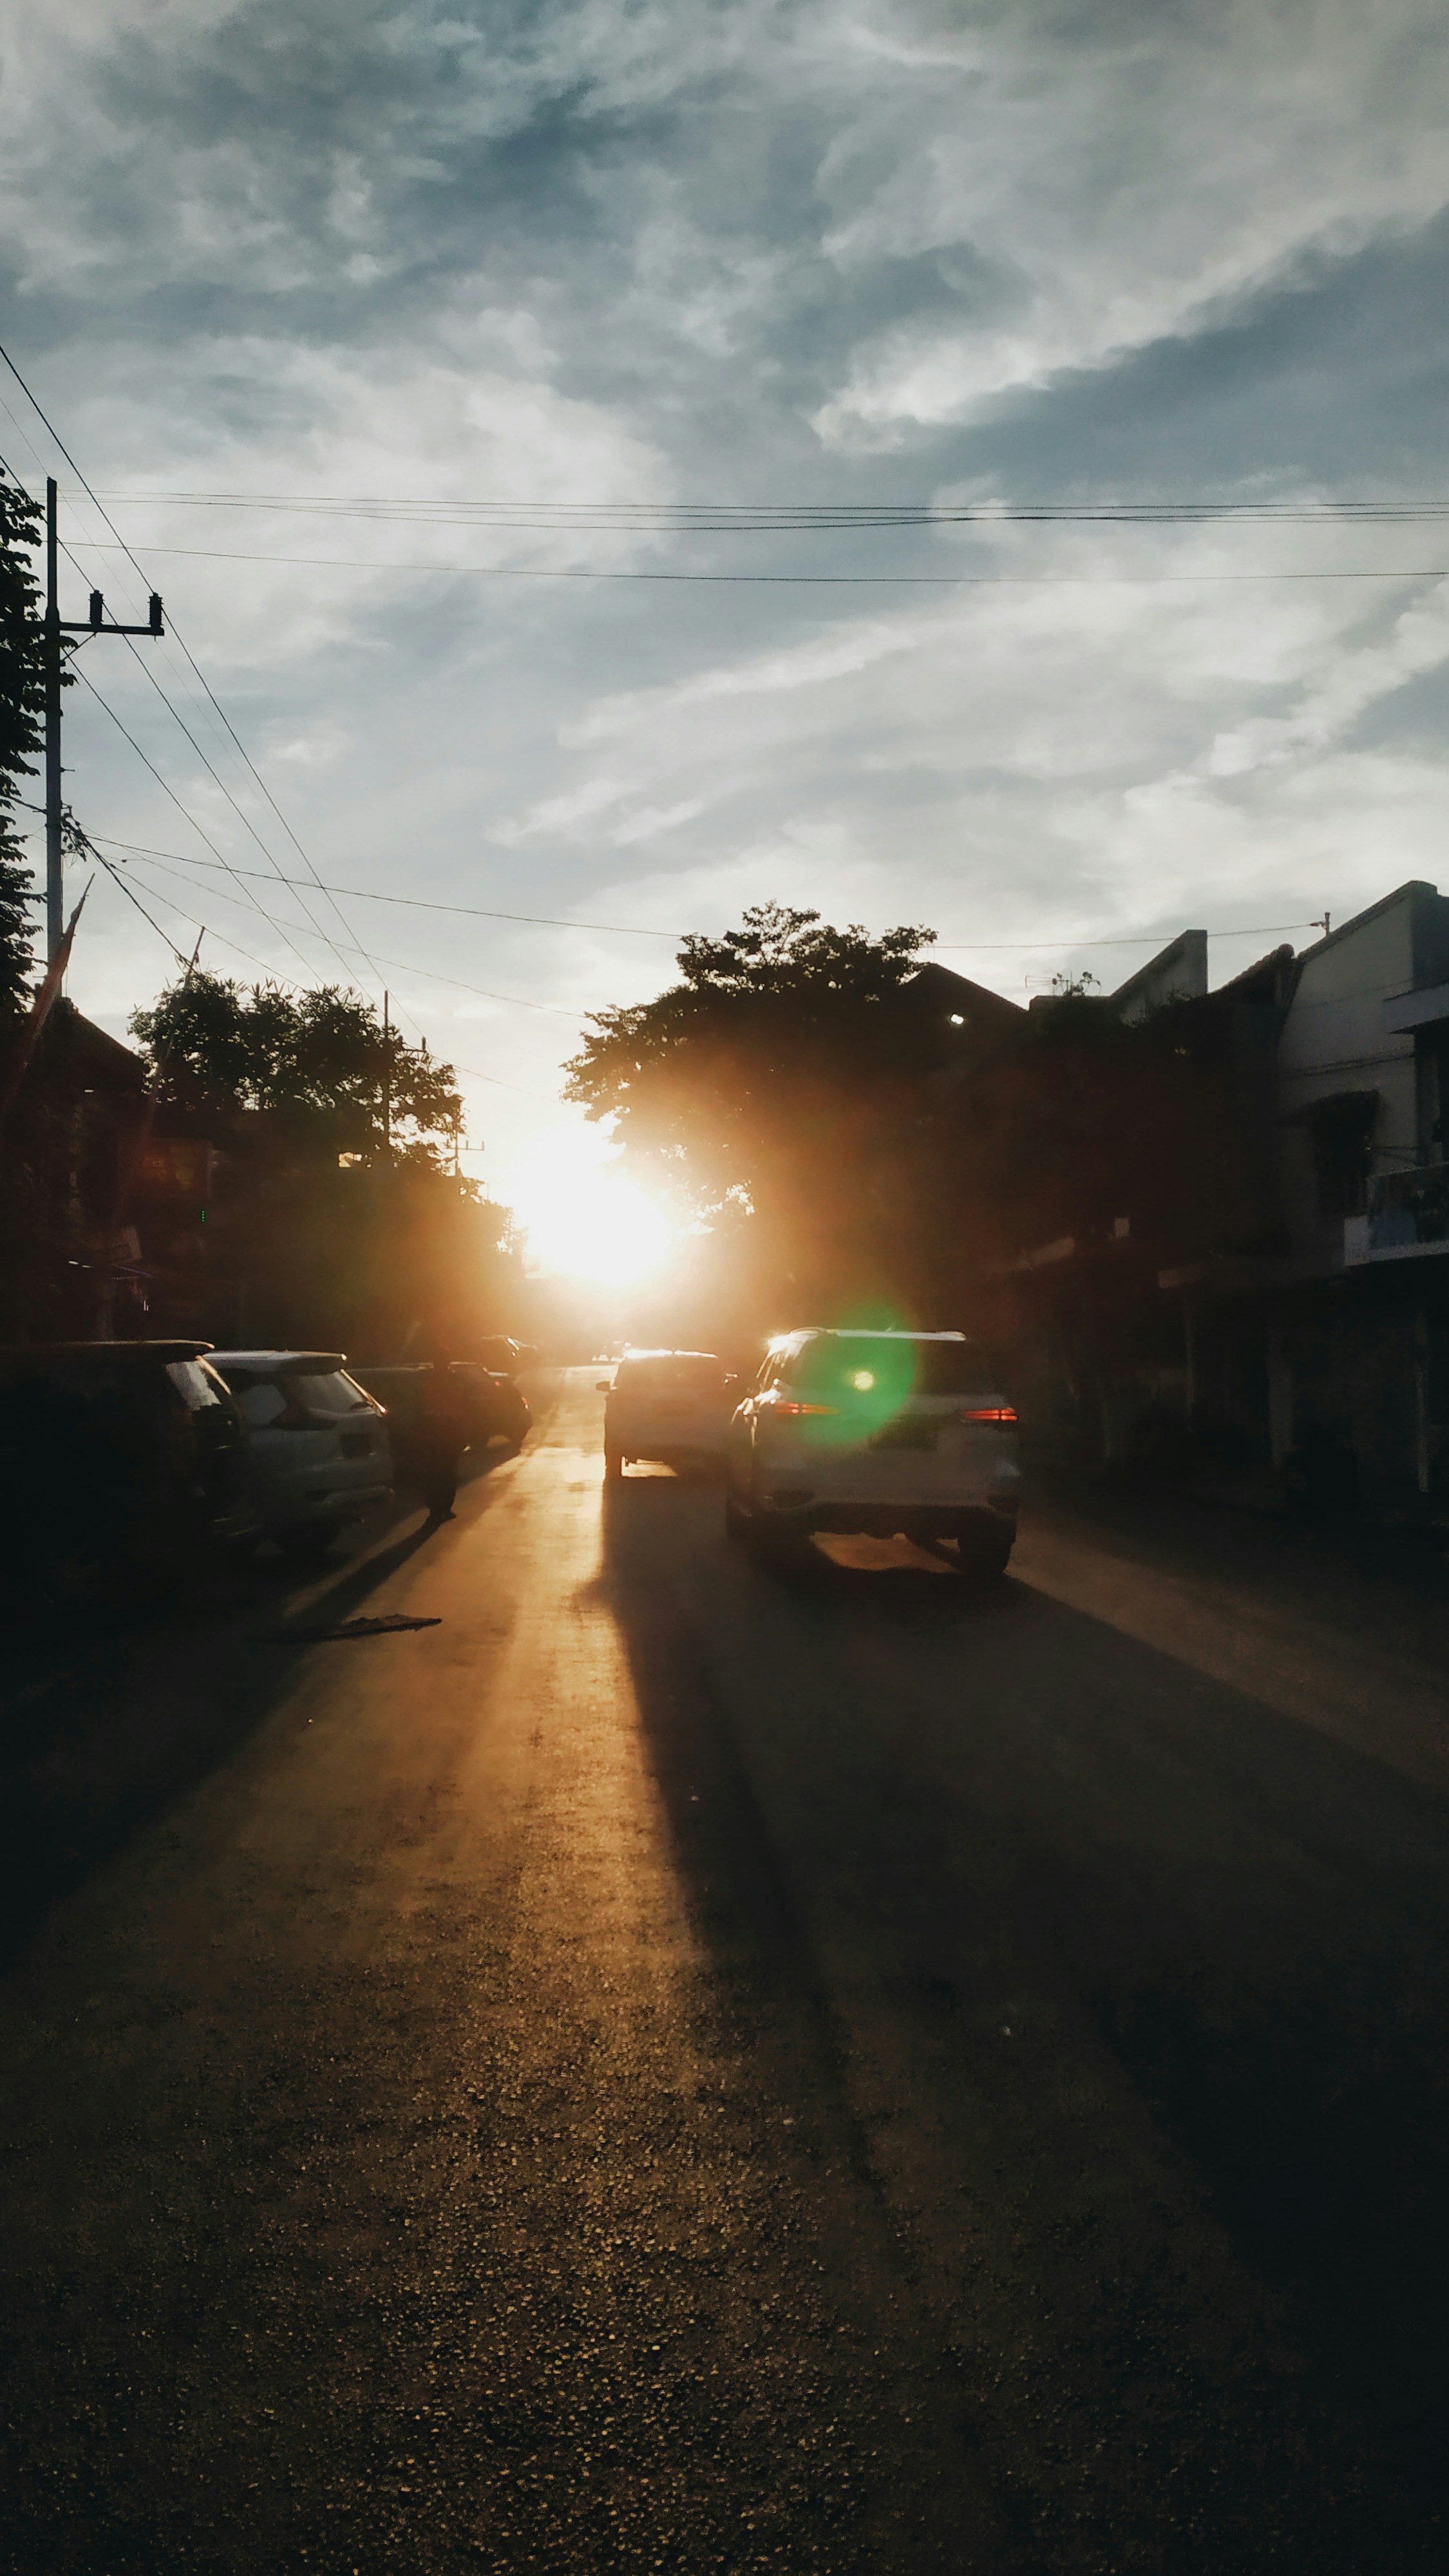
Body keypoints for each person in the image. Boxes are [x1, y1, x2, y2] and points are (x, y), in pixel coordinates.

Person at [416, 1353, 465, 1522]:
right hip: (448, 1433)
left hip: (435, 1434)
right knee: (448, 1473)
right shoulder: (454, 1381)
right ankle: (444, 1508)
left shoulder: (428, 1381)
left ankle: (436, 1508)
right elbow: (463, 1406)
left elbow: (421, 1407)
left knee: (435, 1473)